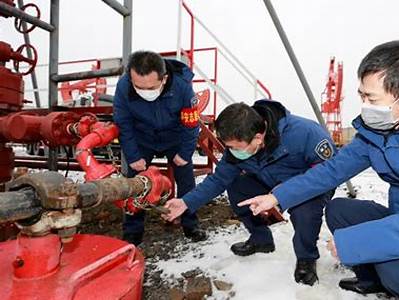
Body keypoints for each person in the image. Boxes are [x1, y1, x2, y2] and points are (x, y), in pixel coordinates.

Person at [239, 40, 399, 299]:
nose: (365, 105)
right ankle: (376, 281)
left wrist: (356, 243)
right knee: (341, 211)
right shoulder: (383, 127)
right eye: (362, 95)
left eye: (372, 98)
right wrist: (277, 196)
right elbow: (331, 171)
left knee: (394, 265)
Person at [163, 100, 336, 285]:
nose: (232, 152)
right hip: (269, 182)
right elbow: (218, 179)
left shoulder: (306, 133)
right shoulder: (239, 145)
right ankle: (261, 239)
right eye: (228, 147)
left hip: (309, 186)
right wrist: (185, 202)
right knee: (238, 185)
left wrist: (284, 192)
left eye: (236, 148)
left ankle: (306, 258)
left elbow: (326, 173)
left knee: (304, 212)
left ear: (258, 138)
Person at [113, 50, 206, 245]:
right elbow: (123, 123)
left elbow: (191, 123)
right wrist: (133, 155)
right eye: (139, 87)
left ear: (164, 79)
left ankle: (191, 224)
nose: (145, 92)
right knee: (135, 184)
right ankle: (132, 231)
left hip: (175, 137)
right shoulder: (123, 86)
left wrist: (185, 152)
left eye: (151, 87)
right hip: (143, 138)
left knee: (186, 179)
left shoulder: (182, 87)